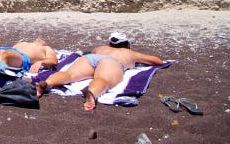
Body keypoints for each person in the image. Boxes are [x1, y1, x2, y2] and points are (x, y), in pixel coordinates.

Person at [35, 32, 164, 111]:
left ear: (110, 43)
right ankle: (92, 94)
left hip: (90, 58)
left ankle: (47, 83)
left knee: (69, 75)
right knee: (102, 80)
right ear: (127, 44)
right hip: (111, 62)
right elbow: (157, 61)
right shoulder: (128, 52)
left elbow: (89, 52)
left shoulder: (101, 48)